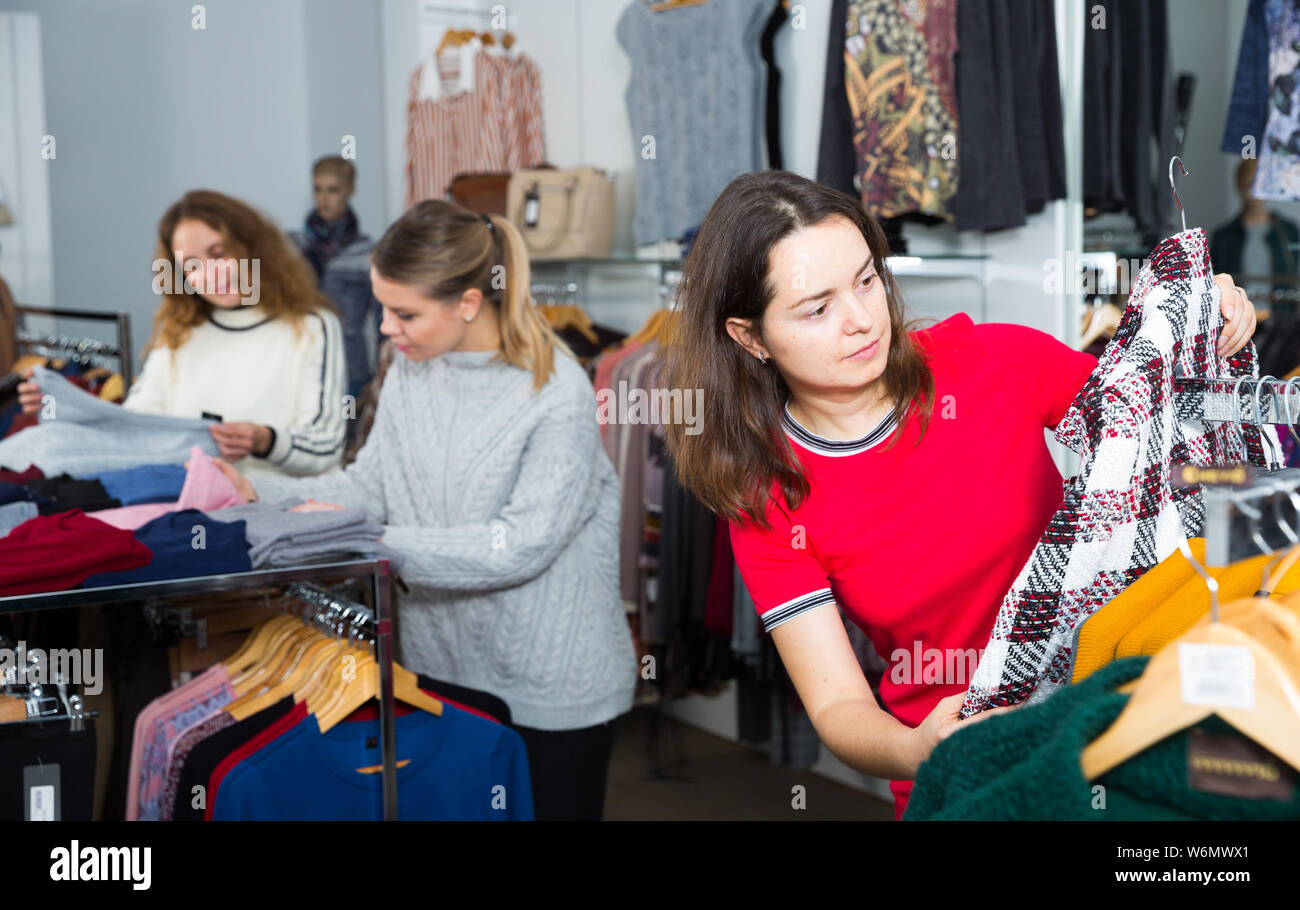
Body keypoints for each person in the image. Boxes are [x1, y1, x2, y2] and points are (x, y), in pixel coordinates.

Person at [662, 170, 1259, 820]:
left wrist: (1200, 325)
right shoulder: (771, 496)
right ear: (750, 337)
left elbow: (1161, 431)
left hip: (1113, 728)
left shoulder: (990, 361)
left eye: (867, 280)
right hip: (959, 766)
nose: (863, 320)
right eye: (818, 308)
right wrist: (918, 746)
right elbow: (838, 706)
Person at [212, 200, 637, 821]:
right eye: (385, 308)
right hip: (444, 670)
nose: (385, 327)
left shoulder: (558, 393)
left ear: (469, 302)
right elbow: (371, 483)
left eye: (404, 312)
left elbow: (517, 547)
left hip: (553, 689)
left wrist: (370, 541)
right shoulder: (413, 370)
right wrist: (258, 494)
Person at [17, 190, 347, 478]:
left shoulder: (312, 326)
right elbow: (135, 430)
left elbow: (326, 444)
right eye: (191, 265)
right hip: (195, 509)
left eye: (218, 254)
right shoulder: (180, 333)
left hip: (285, 514)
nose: (210, 274)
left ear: (252, 246)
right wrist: (67, 409)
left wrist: (264, 439)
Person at [291, 156, 384, 401]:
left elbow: (382, 319)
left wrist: (382, 376)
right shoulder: (293, 246)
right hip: (301, 365)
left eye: (333, 190)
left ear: (350, 191)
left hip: (350, 369)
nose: (323, 198)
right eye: (317, 189)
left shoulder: (366, 252)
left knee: (351, 437)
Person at [1210, 157, 1300, 302]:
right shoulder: (1223, 237)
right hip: (1238, 316)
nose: (1255, 193)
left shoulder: (1288, 232)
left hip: (1281, 318)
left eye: (1261, 185)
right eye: (1249, 186)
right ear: (1239, 186)